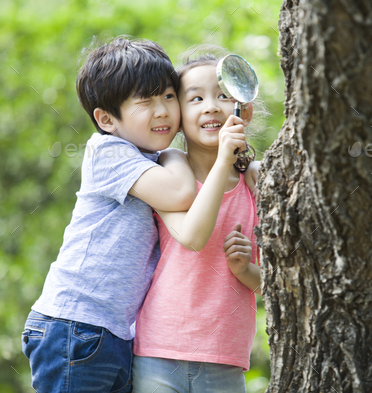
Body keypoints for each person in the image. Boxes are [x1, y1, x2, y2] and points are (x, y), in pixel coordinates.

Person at [21, 37, 246, 393]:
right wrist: (177, 155)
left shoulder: (154, 159)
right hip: (74, 325)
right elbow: (182, 193)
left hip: (115, 334)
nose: (162, 112)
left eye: (169, 97)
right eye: (146, 102)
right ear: (107, 119)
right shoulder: (108, 151)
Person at [132, 49, 264, 393]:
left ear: (243, 111)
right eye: (196, 98)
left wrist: (243, 269)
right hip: (159, 351)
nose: (211, 106)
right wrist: (224, 161)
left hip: (225, 357)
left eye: (223, 96)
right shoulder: (169, 173)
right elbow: (194, 237)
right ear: (177, 117)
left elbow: (274, 280)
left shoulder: (256, 186)